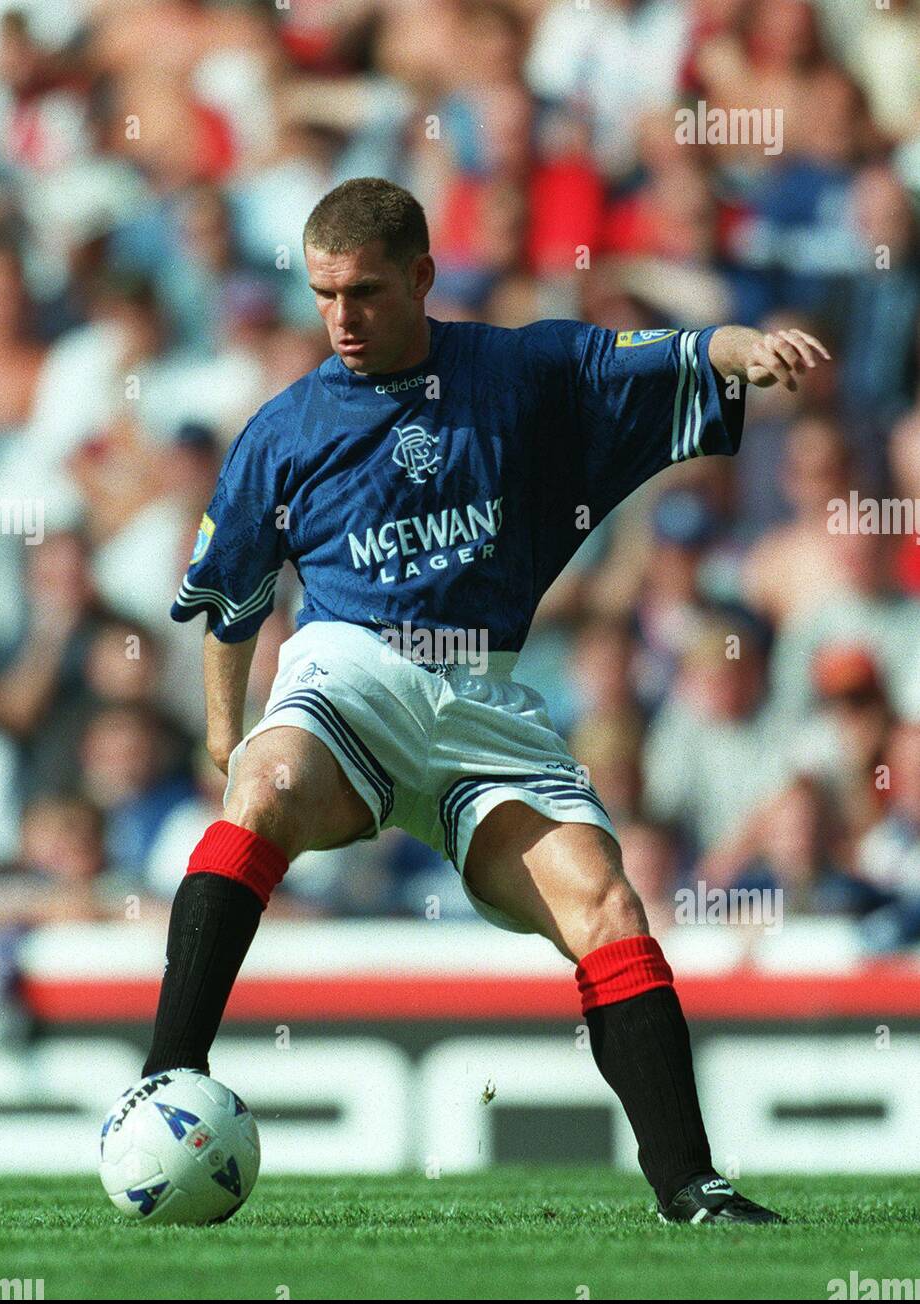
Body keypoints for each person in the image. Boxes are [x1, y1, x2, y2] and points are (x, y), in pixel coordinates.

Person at [144, 177, 829, 1224]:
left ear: (422, 276)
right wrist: (227, 731)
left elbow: (685, 354)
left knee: (603, 897)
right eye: (324, 294)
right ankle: (166, 1083)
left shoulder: (524, 367)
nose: (341, 318)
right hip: (351, 673)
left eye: (365, 292)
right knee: (270, 784)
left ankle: (691, 1185)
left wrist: (751, 347)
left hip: (485, 699)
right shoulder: (281, 432)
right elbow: (232, 601)